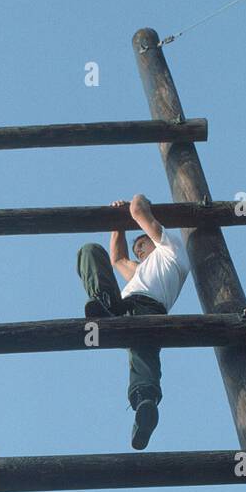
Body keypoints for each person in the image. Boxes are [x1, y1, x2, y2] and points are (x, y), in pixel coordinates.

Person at [77, 193, 190, 450]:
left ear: (154, 239)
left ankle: (144, 404)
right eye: (136, 248)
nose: (138, 250)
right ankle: (102, 302)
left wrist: (132, 204)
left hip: (150, 309)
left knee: (143, 352)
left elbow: (139, 208)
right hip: (121, 306)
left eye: (142, 244)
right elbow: (117, 259)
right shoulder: (140, 271)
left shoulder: (171, 250)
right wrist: (117, 224)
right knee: (90, 251)